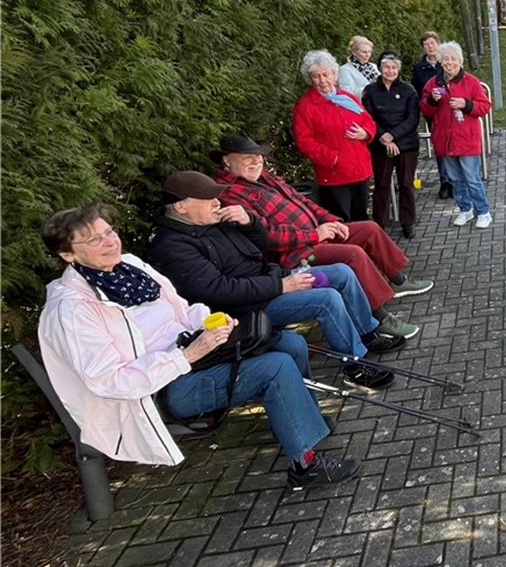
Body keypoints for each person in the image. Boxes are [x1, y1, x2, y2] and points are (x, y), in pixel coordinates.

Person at [37, 203, 359, 489]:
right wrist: (186, 355)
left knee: (289, 342)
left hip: (192, 356)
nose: (110, 241)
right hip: (157, 393)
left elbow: (183, 309)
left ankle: (300, 422)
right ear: (67, 254)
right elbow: (110, 381)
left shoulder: (129, 265)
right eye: (95, 239)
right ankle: (305, 466)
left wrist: (214, 321)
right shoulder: (72, 310)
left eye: (109, 231)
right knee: (275, 367)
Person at [146, 171, 402, 389]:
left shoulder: (211, 220)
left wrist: (249, 222)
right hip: (247, 307)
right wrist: (281, 285)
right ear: (180, 206)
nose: (216, 202)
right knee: (326, 299)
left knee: (341, 273)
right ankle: (354, 365)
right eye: (207, 198)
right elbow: (218, 290)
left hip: (269, 282)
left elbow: (259, 249)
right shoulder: (172, 246)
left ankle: (366, 333)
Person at [213, 133, 431, 341]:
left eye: (258, 156)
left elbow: (303, 201)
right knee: (353, 255)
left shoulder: (265, 178)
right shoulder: (230, 194)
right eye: (247, 158)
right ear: (226, 161)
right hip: (294, 254)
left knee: (369, 228)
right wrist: (315, 235)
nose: (255, 161)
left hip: (315, 235)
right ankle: (379, 317)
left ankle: (398, 281)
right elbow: (268, 237)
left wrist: (331, 220)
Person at [292, 49, 376, 222]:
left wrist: (365, 133)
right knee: (342, 220)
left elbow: (368, 121)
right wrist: (332, 158)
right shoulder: (306, 106)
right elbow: (304, 140)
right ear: (310, 78)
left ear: (333, 75)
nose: (322, 80)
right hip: (334, 174)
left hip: (360, 169)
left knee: (362, 217)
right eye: (316, 76)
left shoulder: (347, 98)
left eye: (326, 74)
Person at [418, 41, 493, 228]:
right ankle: (464, 209)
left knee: (472, 178)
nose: (448, 62)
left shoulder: (471, 82)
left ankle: (483, 211)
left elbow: (484, 107)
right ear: (440, 62)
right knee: (455, 178)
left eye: (453, 59)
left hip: (466, 139)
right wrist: (432, 101)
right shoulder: (432, 84)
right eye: (445, 59)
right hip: (445, 140)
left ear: (460, 61)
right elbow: (425, 110)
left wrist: (466, 104)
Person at [362, 51, 421, 238]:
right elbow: (368, 117)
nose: (390, 71)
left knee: (406, 184)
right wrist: (383, 137)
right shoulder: (370, 91)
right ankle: (380, 223)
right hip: (380, 146)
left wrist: (393, 136)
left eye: (394, 67)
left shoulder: (408, 90)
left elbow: (413, 119)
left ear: (399, 69)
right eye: (387, 67)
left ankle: (407, 222)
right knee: (381, 185)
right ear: (380, 68)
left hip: (406, 145)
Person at [412, 31, 451, 199]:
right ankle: (445, 182)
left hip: (450, 110)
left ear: (438, 44)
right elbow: (418, 91)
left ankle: (456, 181)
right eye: (426, 44)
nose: (430, 46)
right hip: (433, 112)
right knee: (441, 148)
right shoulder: (419, 68)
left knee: (454, 146)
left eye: (432, 43)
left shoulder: (447, 62)